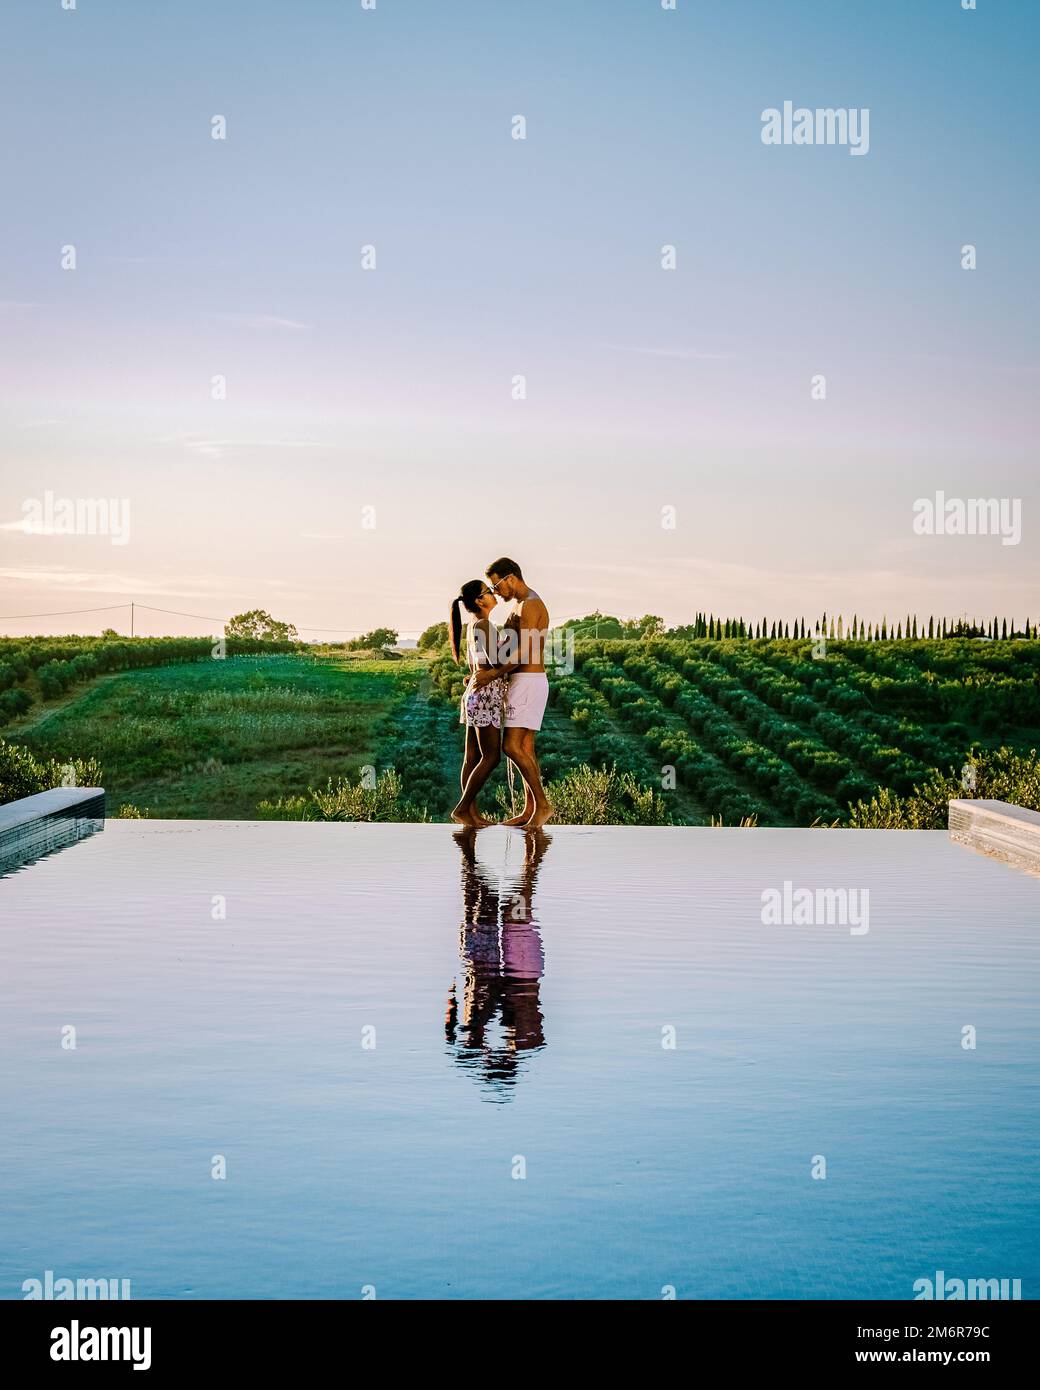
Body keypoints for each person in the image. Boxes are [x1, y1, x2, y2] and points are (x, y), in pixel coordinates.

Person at [471, 557, 553, 828]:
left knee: (510, 746)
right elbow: (506, 647)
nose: (495, 592)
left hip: (529, 682)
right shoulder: (519, 604)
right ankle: (531, 810)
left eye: (497, 585)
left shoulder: (530, 605)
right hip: (522, 682)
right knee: (526, 748)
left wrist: (492, 675)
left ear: (511, 578)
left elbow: (526, 650)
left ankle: (542, 806)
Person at [449, 579, 507, 826]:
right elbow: (497, 663)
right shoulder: (484, 624)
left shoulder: (475, 624)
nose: (493, 593)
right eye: (487, 590)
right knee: (491, 756)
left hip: (475, 693)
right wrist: (517, 643)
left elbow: (479, 663)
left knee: (471, 757)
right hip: (485, 696)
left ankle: (470, 815)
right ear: (479, 601)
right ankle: (463, 809)